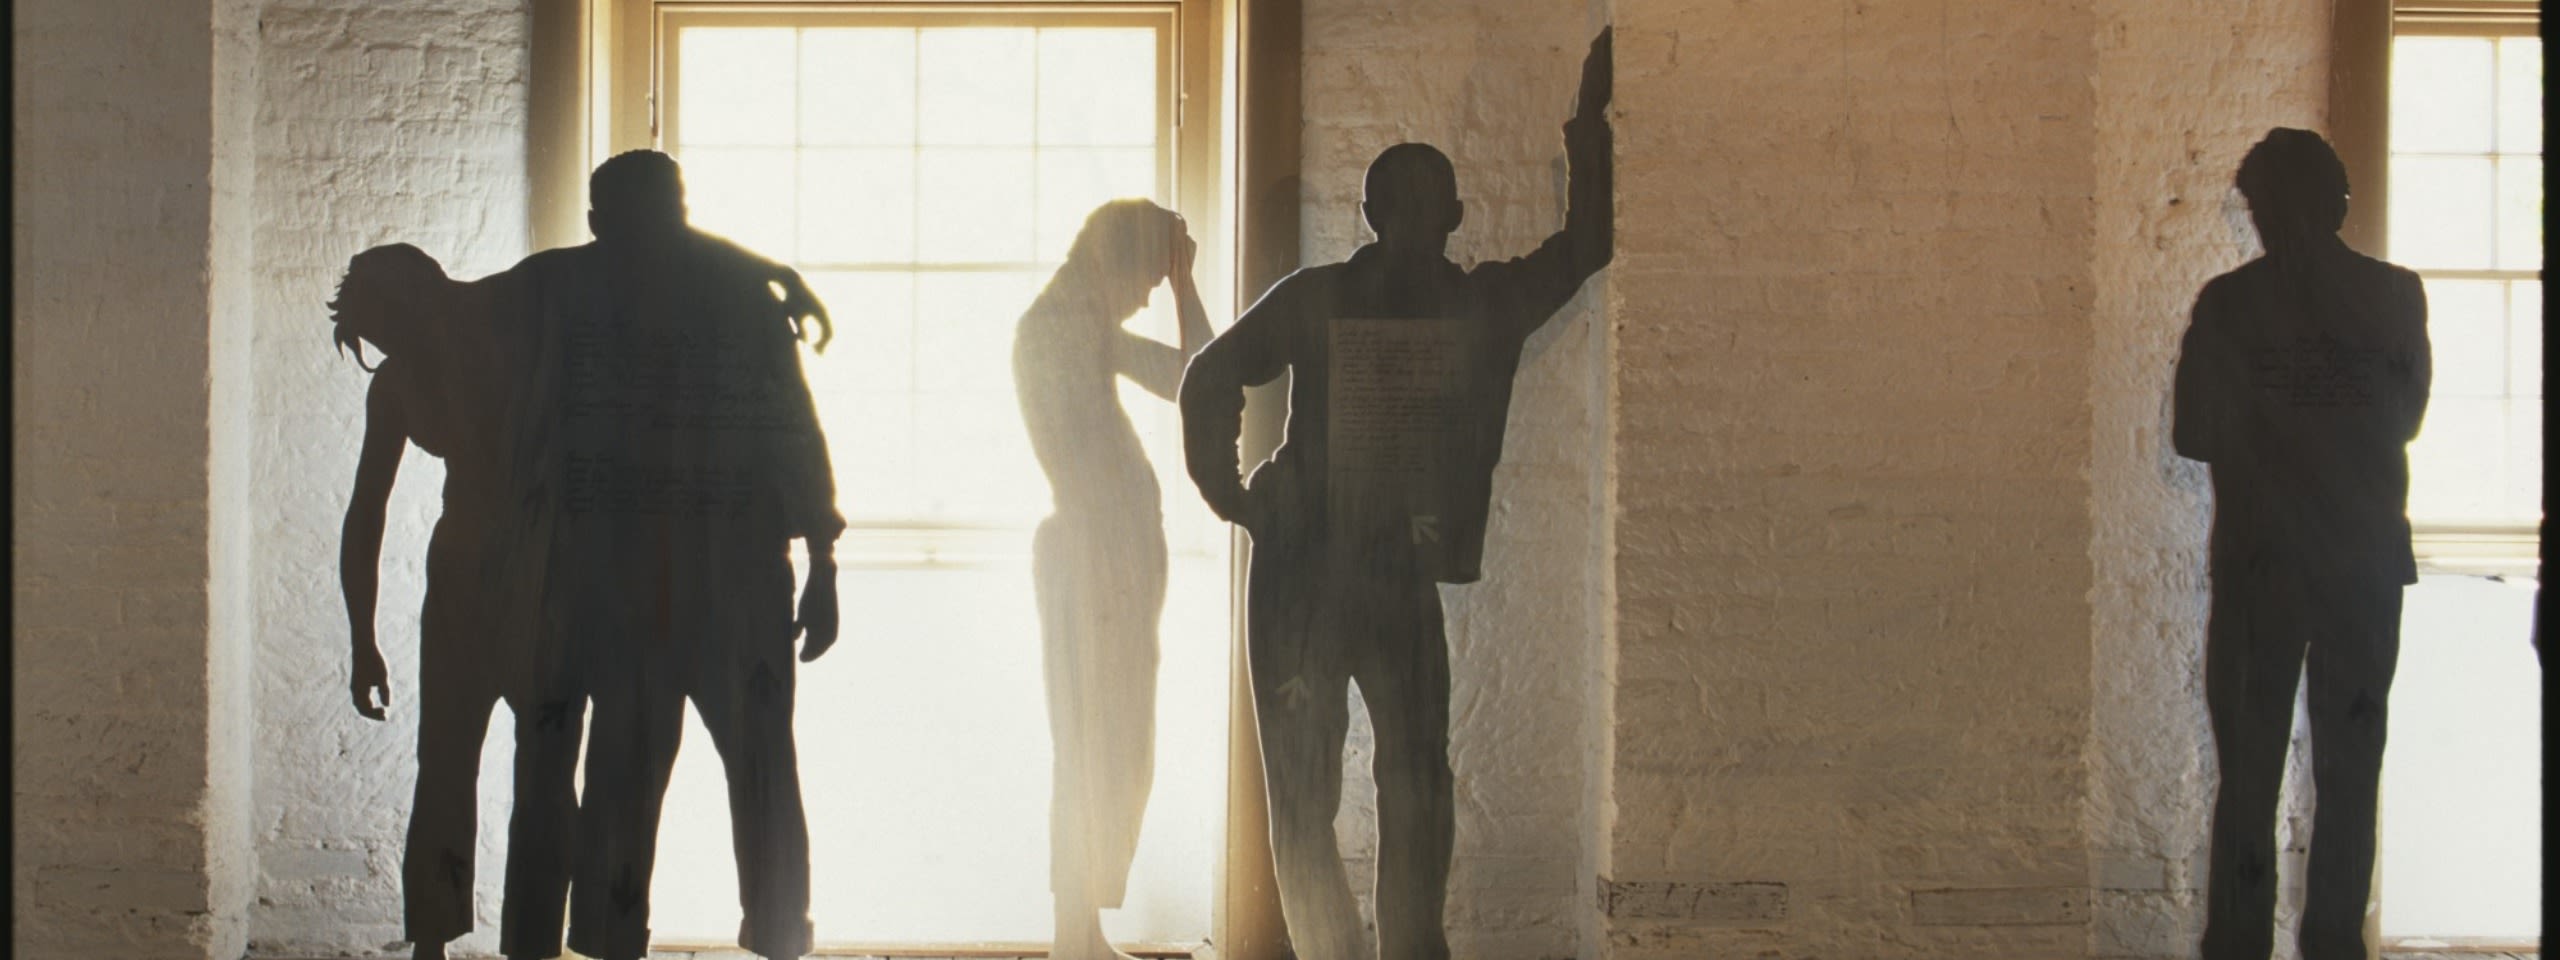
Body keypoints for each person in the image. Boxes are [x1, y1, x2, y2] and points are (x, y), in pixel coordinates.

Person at [1177, 29, 1611, 960]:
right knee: (1323, 787)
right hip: (1312, 575)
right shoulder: (1349, 298)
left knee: (1402, 782)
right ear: (1382, 212)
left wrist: (1589, 124)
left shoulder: (1447, 304)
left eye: (1424, 204)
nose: (1416, 219)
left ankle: (1405, 950)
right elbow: (1210, 378)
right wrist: (1236, 500)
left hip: (1371, 575)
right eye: (1404, 203)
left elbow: (1587, 247)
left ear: (1446, 214)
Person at [518, 149, 843, 960]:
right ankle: (770, 936)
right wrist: (825, 569)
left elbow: (793, 435)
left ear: (601, 223)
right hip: (725, 579)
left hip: (632, 582)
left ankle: (610, 935)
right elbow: (794, 436)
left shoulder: (575, 292)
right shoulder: (739, 296)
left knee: (629, 778)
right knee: (754, 772)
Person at [2172, 127, 2430, 960]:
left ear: (2262, 211)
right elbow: (2406, 418)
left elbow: (2194, 435)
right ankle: (2334, 945)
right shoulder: (2394, 296)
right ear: (2341, 206)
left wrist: (2270, 427)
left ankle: (2240, 946)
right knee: (2353, 770)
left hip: (2261, 567)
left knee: (2248, 775)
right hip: (2361, 567)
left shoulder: (2229, 303)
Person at [332, 243, 581, 960]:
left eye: (393, 336)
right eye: (381, 348)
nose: (391, 355)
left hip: (543, 581)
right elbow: (365, 511)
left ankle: (533, 945)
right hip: (464, 584)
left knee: (543, 769)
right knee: (444, 766)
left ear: (420, 301)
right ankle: (432, 944)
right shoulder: (400, 382)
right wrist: (361, 638)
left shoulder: (512, 315)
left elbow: (600, 260)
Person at [1015, 200, 1213, 960]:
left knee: (1114, 746)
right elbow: (1196, 383)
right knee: (1094, 746)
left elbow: (1200, 376)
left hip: (1111, 559)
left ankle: (1083, 931)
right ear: (1117, 261)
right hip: (1093, 561)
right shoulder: (1059, 329)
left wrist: (1183, 279)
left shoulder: (1083, 327)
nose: (1146, 297)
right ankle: (1075, 937)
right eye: (1147, 279)